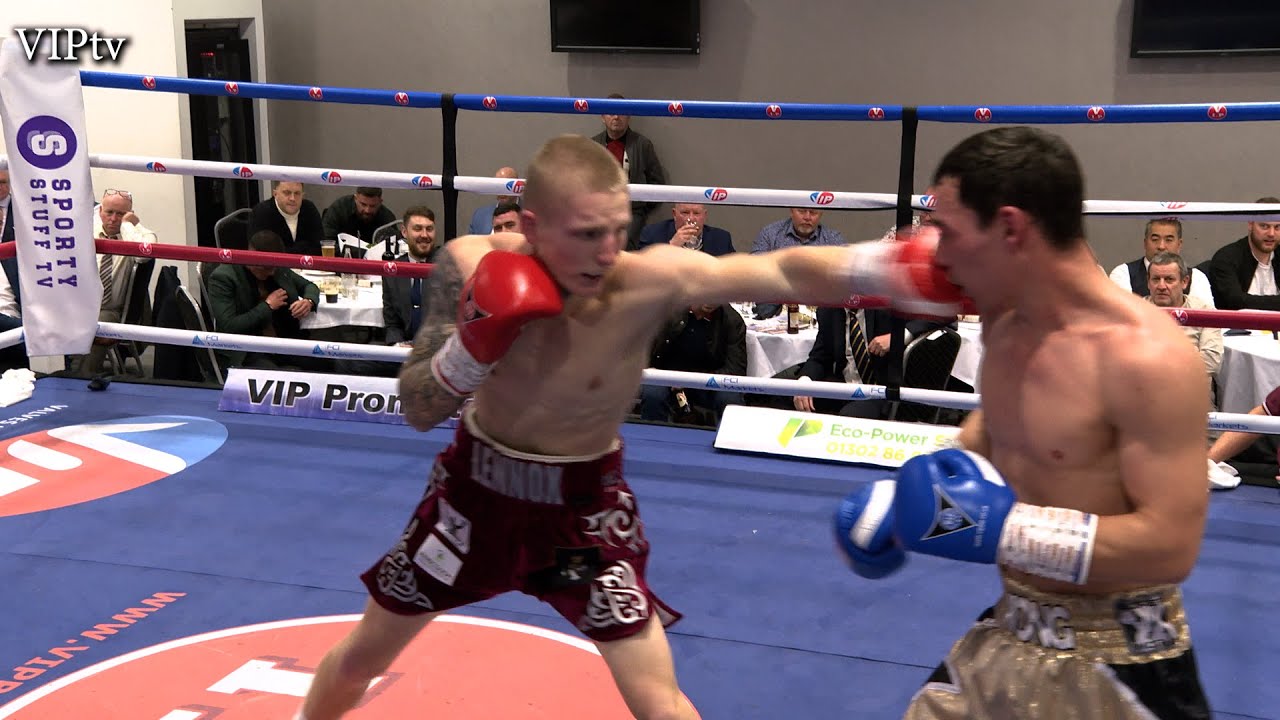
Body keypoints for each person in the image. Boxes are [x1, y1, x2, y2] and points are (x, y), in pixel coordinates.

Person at [293, 134, 968, 720]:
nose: (608, 251)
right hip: (473, 498)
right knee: (359, 661)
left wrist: (885, 267)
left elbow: (780, 268)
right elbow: (417, 408)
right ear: (531, 224)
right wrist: (473, 347)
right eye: (587, 234)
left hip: (584, 514)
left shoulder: (646, 279)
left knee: (659, 701)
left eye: (618, 228)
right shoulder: (471, 264)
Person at [835, 126, 1212, 719]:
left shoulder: (1148, 358)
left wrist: (1005, 530)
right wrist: (908, 496)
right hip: (1010, 629)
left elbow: (1170, 548)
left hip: (1126, 665)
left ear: (1010, 228)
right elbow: (1000, 430)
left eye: (949, 232)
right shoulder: (1005, 324)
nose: (938, 254)